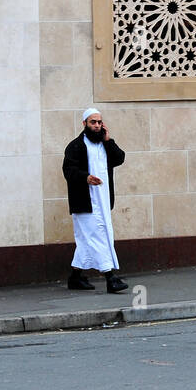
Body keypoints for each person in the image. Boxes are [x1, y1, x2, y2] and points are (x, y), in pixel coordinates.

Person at [62, 108, 128, 293]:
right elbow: (68, 169)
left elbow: (119, 158)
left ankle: (75, 278)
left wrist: (109, 140)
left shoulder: (104, 144)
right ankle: (110, 277)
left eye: (99, 122)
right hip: (85, 203)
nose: (97, 125)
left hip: (103, 201)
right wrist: (85, 177)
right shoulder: (76, 146)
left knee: (86, 241)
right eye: (93, 122)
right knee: (97, 237)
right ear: (85, 124)